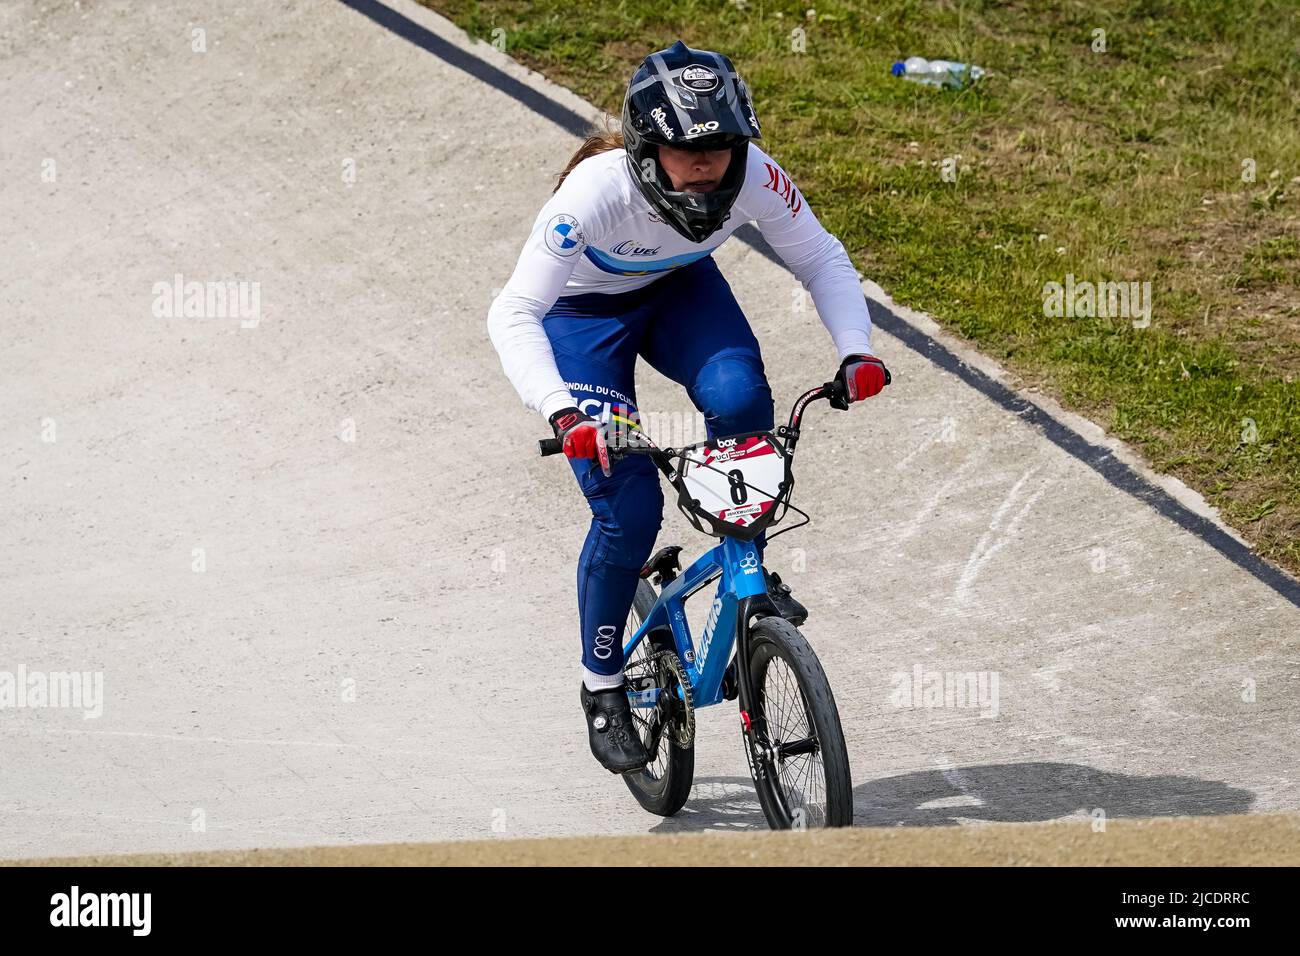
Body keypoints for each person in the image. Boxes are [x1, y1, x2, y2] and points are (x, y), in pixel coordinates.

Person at [487, 41, 891, 774]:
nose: (709, 163)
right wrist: (563, 413)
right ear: (647, 147)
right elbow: (513, 310)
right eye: (686, 149)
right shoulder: (593, 195)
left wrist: (856, 350)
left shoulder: (755, 177)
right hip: (581, 321)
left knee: (740, 401)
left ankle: (748, 575)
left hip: (678, 291)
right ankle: (603, 685)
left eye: (724, 145)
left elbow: (821, 258)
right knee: (630, 508)